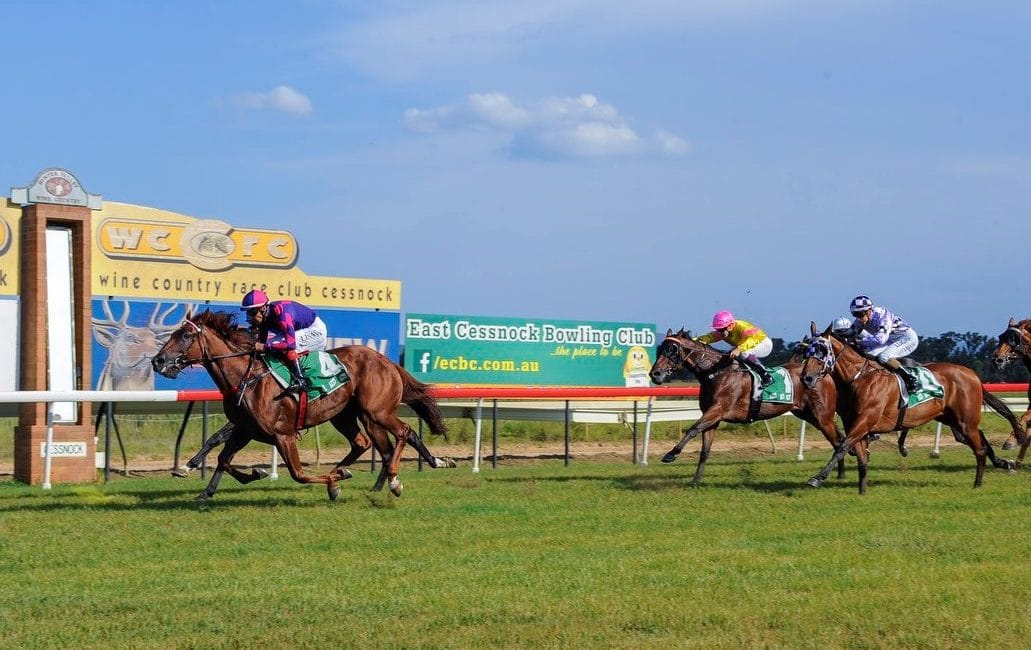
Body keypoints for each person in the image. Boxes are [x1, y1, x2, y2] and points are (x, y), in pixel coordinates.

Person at [240, 289, 328, 393]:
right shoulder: (264, 316)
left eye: (253, 313)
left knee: (276, 344)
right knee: (271, 344)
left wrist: (263, 347)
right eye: (248, 314)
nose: (251, 317)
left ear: (263, 308)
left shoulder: (282, 313)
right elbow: (261, 341)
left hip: (316, 331)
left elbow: (290, 344)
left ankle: (300, 381)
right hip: (299, 330)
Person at [846, 295, 920, 392]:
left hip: (906, 338)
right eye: (854, 314)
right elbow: (849, 334)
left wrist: (859, 342)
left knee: (884, 357)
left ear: (869, 311)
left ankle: (909, 379)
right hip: (889, 340)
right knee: (868, 353)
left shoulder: (882, 316)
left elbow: (880, 340)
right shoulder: (861, 319)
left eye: (859, 314)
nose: (858, 318)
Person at [695, 310, 774, 388]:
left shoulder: (742, 327)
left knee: (744, 353)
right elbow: (706, 338)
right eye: (717, 329)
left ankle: (766, 376)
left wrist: (739, 349)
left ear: (730, 326)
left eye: (722, 329)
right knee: (726, 356)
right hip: (745, 346)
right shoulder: (722, 332)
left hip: (763, 344)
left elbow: (752, 340)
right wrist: (687, 340)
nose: (719, 332)